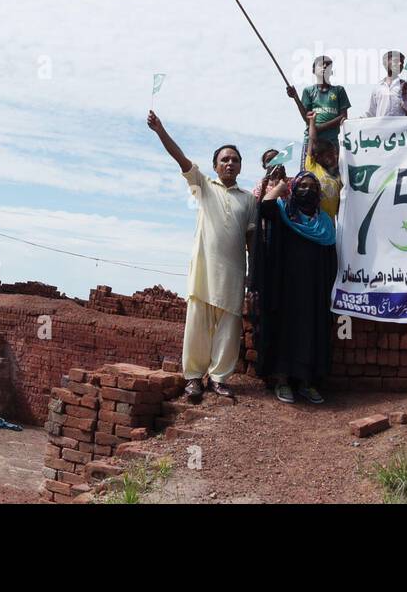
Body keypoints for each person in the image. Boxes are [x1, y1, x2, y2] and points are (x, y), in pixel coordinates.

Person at [147, 111, 256, 402]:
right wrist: (160, 131)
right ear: (215, 166)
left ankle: (219, 379)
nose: (230, 163)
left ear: (241, 166)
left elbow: (251, 239)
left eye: (235, 160)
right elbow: (180, 158)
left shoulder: (249, 199)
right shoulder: (203, 186)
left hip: (233, 273)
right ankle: (194, 378)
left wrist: (253, 274)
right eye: (225, 159)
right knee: (197, 326)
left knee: (228, 330)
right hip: (204, 270)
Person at [251, 171, 337, 405]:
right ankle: (282, 381)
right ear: (294, 189)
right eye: (301, 186)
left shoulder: (326, 223)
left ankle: (307, 383)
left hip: (314, 290)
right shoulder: (284, 212)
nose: (307, 191)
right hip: (285, 287)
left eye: (312, 187)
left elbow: (332, 260)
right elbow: (265, 205)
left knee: (312, 333)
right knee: (285, 331)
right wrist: (281, 185)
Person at [287, 55, 350, 165]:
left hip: (331, 143)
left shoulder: (339, 90)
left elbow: (343, 116)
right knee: (308, 176)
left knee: (332, 177)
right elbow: (307, 119)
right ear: (313, 70)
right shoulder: (308, 91)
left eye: (328, 66)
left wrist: (319, 128)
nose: (324, 67)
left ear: (331, 72)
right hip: (312, 142)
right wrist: (296, 97)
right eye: (321, 65)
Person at [303, 113, 343, 218]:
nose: (334, 157)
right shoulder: (313, 167)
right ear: (318, 157)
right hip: (315, 220)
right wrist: (312, 121)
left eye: (335, 154)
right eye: (329, 155)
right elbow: (312, 140)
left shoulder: (337, 177)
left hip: (330, 223)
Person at [364, 50, 407, 117]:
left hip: (400, 126)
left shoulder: (405, 84)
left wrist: (405, 93)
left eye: (402, 63)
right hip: (381, 127)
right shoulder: (378, 87)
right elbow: (370, 113)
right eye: (396, 61)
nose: (400, 64)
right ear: (385, 63)